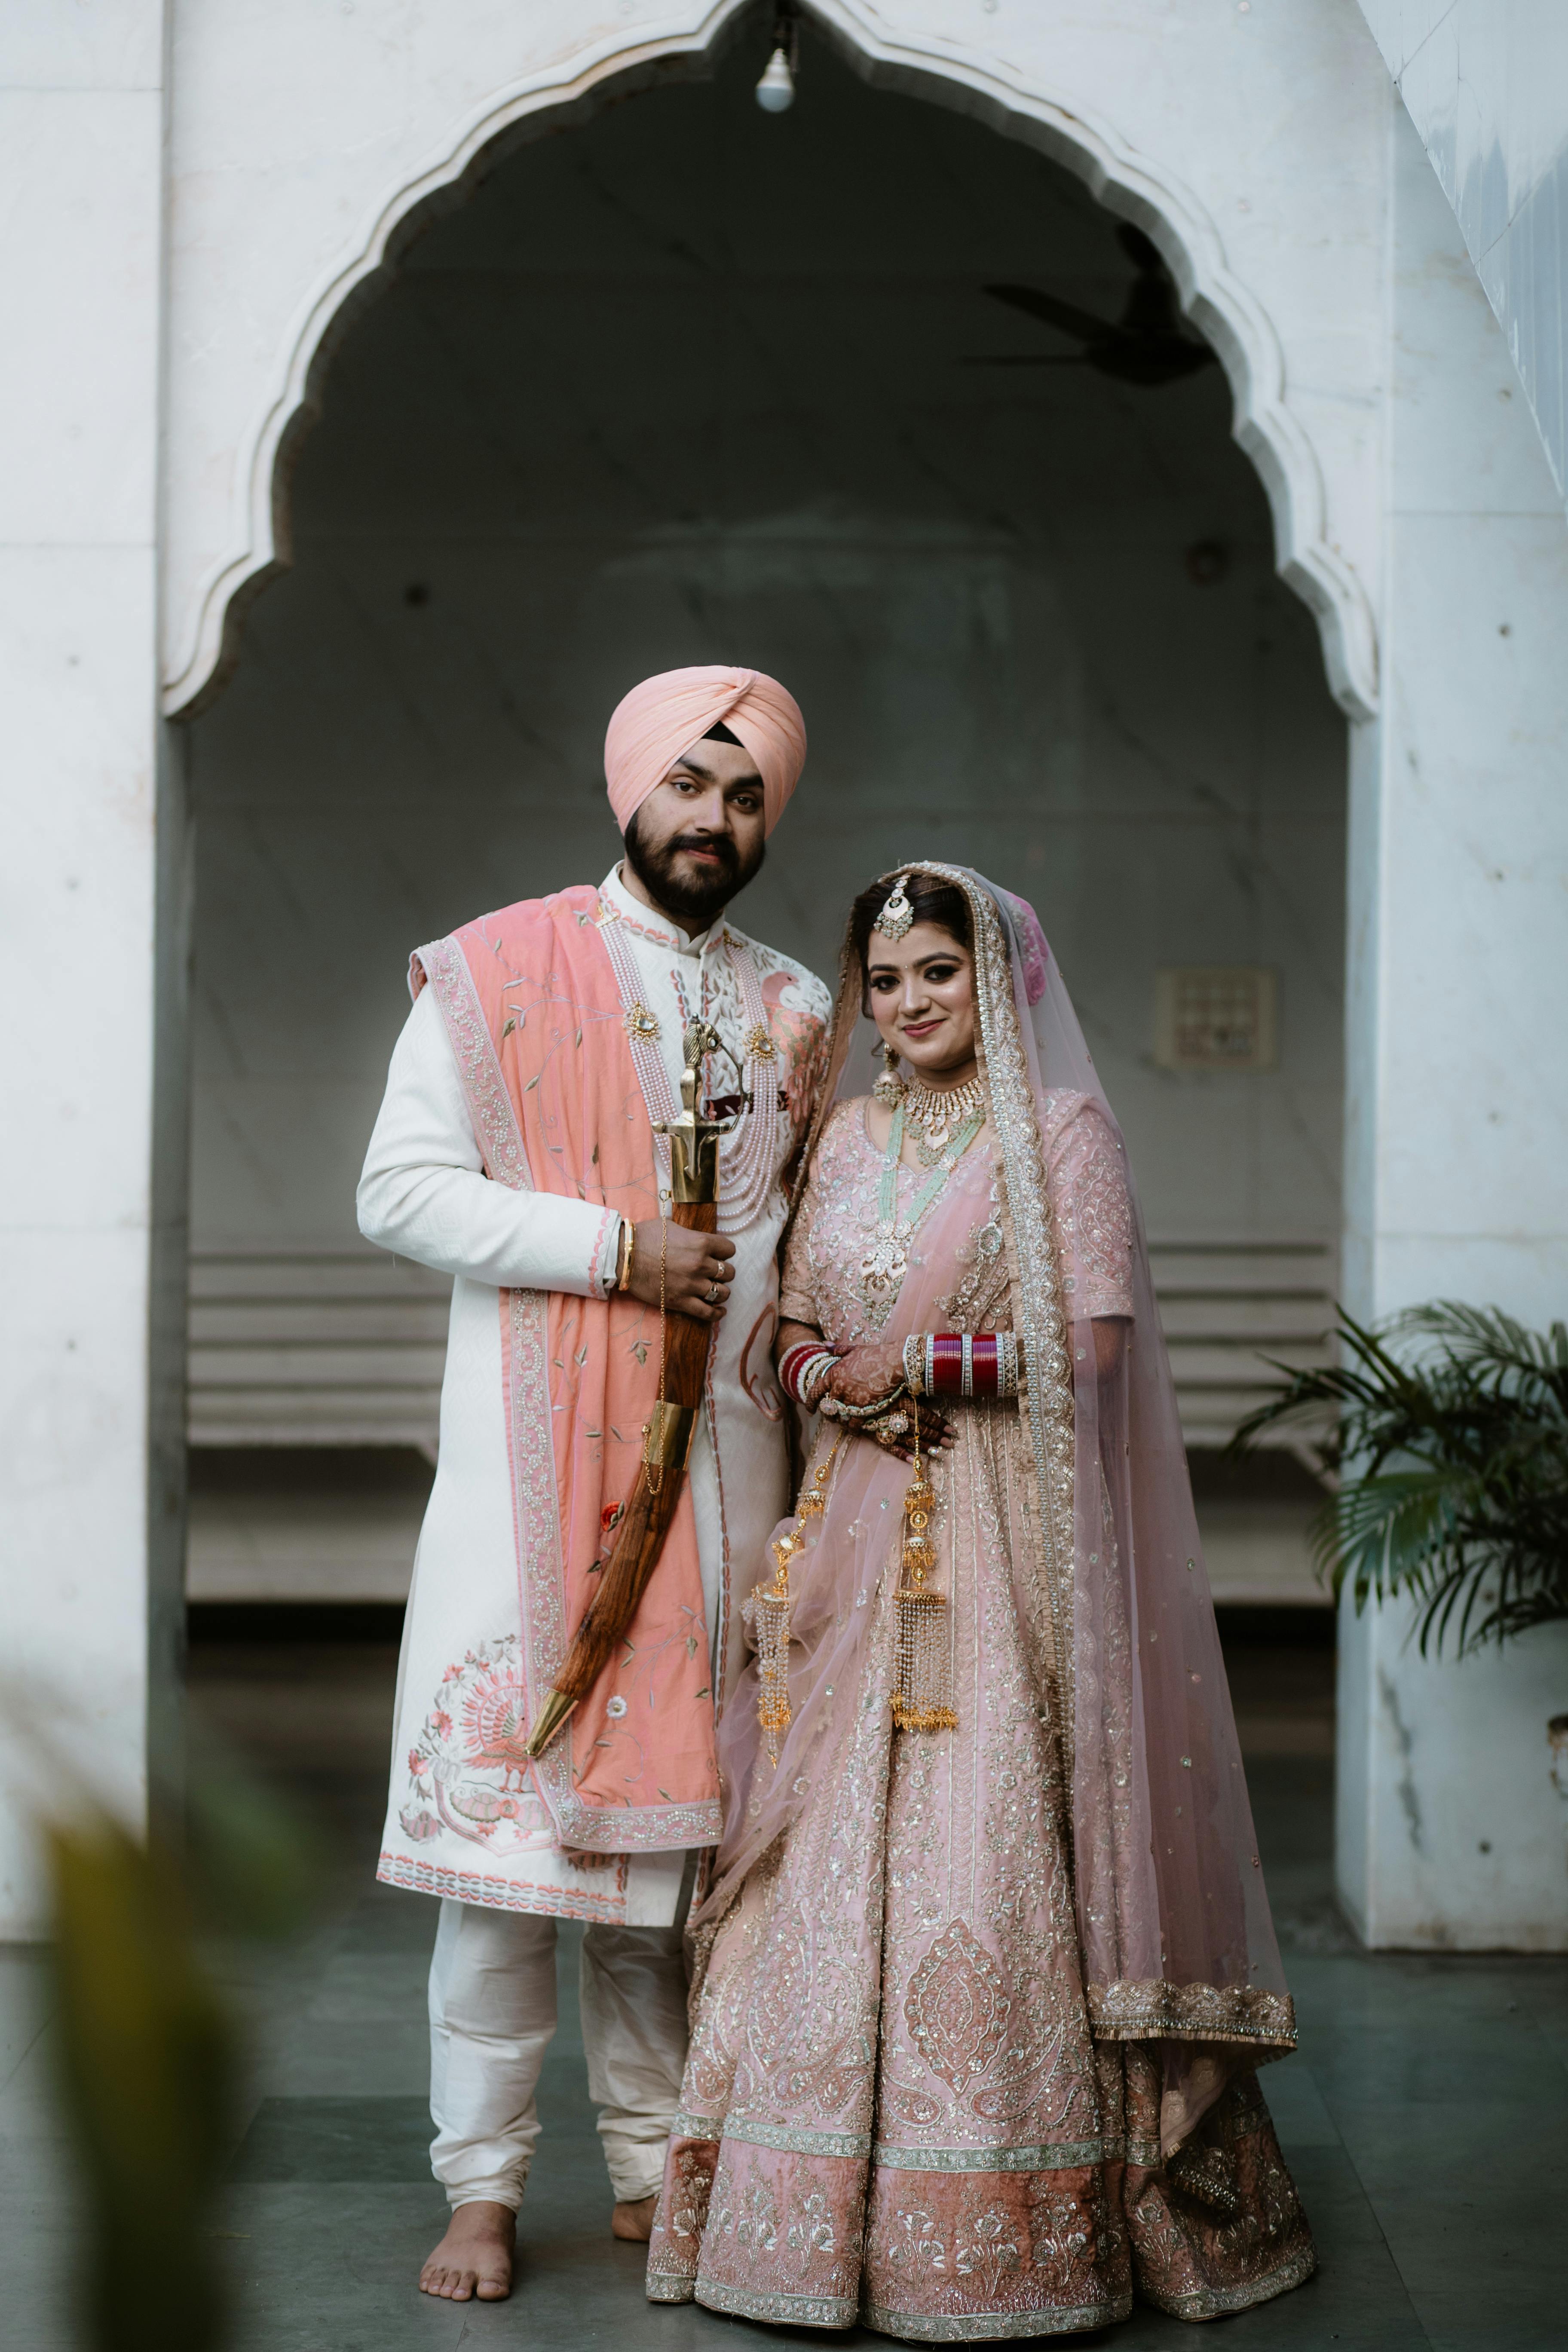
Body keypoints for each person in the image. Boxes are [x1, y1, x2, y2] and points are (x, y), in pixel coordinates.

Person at [646, 863, 1316, 2337]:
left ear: (995, 978)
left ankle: (1017, 2209)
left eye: (934, 974)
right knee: (819, 1842)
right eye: (884, 982)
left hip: (1006, 1535)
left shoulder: (1061, 1133)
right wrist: (835, 1380)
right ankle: (800, 2217)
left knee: (990, 1826)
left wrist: (921, 1373)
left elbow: (1088, 1342)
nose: (906, 1004)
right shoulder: (850, 1131)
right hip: (851, 1535)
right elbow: (795, 1329)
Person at [356, 666, 831, 2303]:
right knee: (502, 1878)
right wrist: (618, 1251)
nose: (712, 818)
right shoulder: (497, 970)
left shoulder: (794, 1014)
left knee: (661, 1885)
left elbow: (801, 1268)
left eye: (745, 793)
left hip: (719, 1496)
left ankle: (650, 2166)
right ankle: (482, 2191)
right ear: (631, 784)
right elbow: (398, 1190)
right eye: (689, 784)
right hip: (526, 1507)